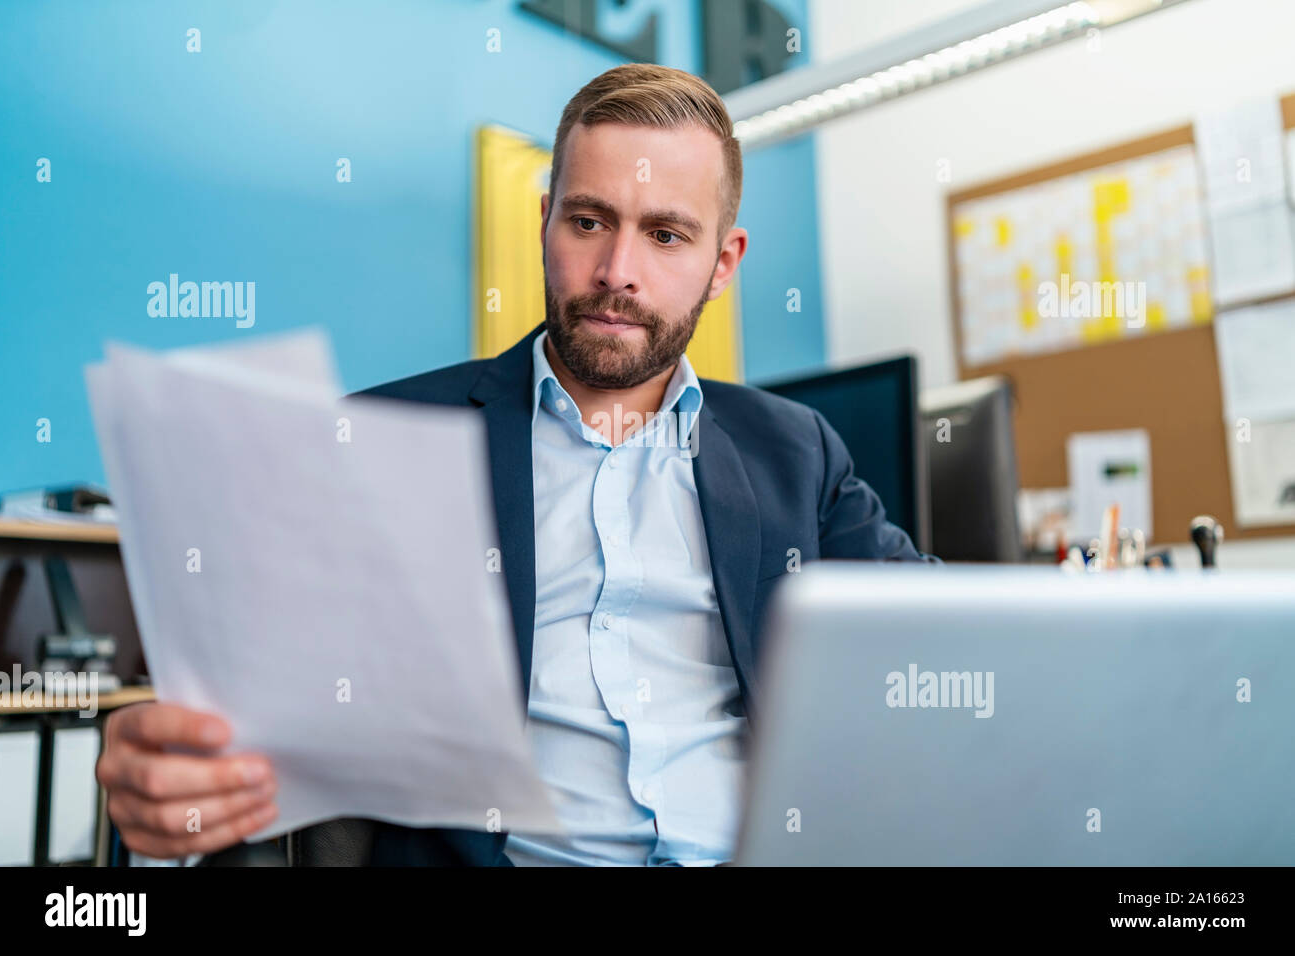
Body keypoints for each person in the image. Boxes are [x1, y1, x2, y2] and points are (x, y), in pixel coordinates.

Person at [96, 62, 937, 867]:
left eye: (667, 235)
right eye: (588, 221)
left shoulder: (793, 449)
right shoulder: (383, 438)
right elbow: (245, 710)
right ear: (544, 223)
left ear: (723, 264)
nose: (618, 273)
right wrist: (173, 770)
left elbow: (937, 635)